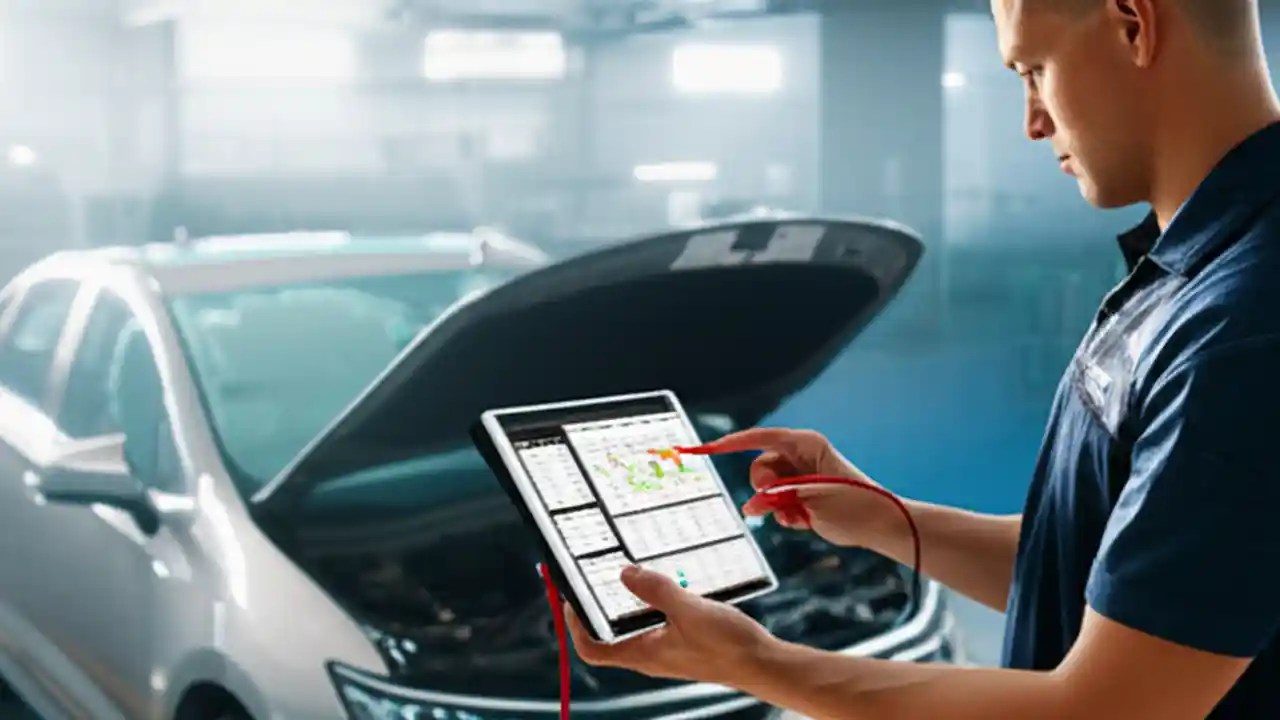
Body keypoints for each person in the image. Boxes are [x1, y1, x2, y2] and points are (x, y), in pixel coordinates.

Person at [565, 0, 1280, 717]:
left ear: (1132, 24)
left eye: (1035, 69)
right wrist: (882, 519)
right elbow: (1125, 580)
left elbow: (1104, 710)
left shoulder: (1246, 328)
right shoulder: (1201, 270)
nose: (1032, 122)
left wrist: (750, 661)